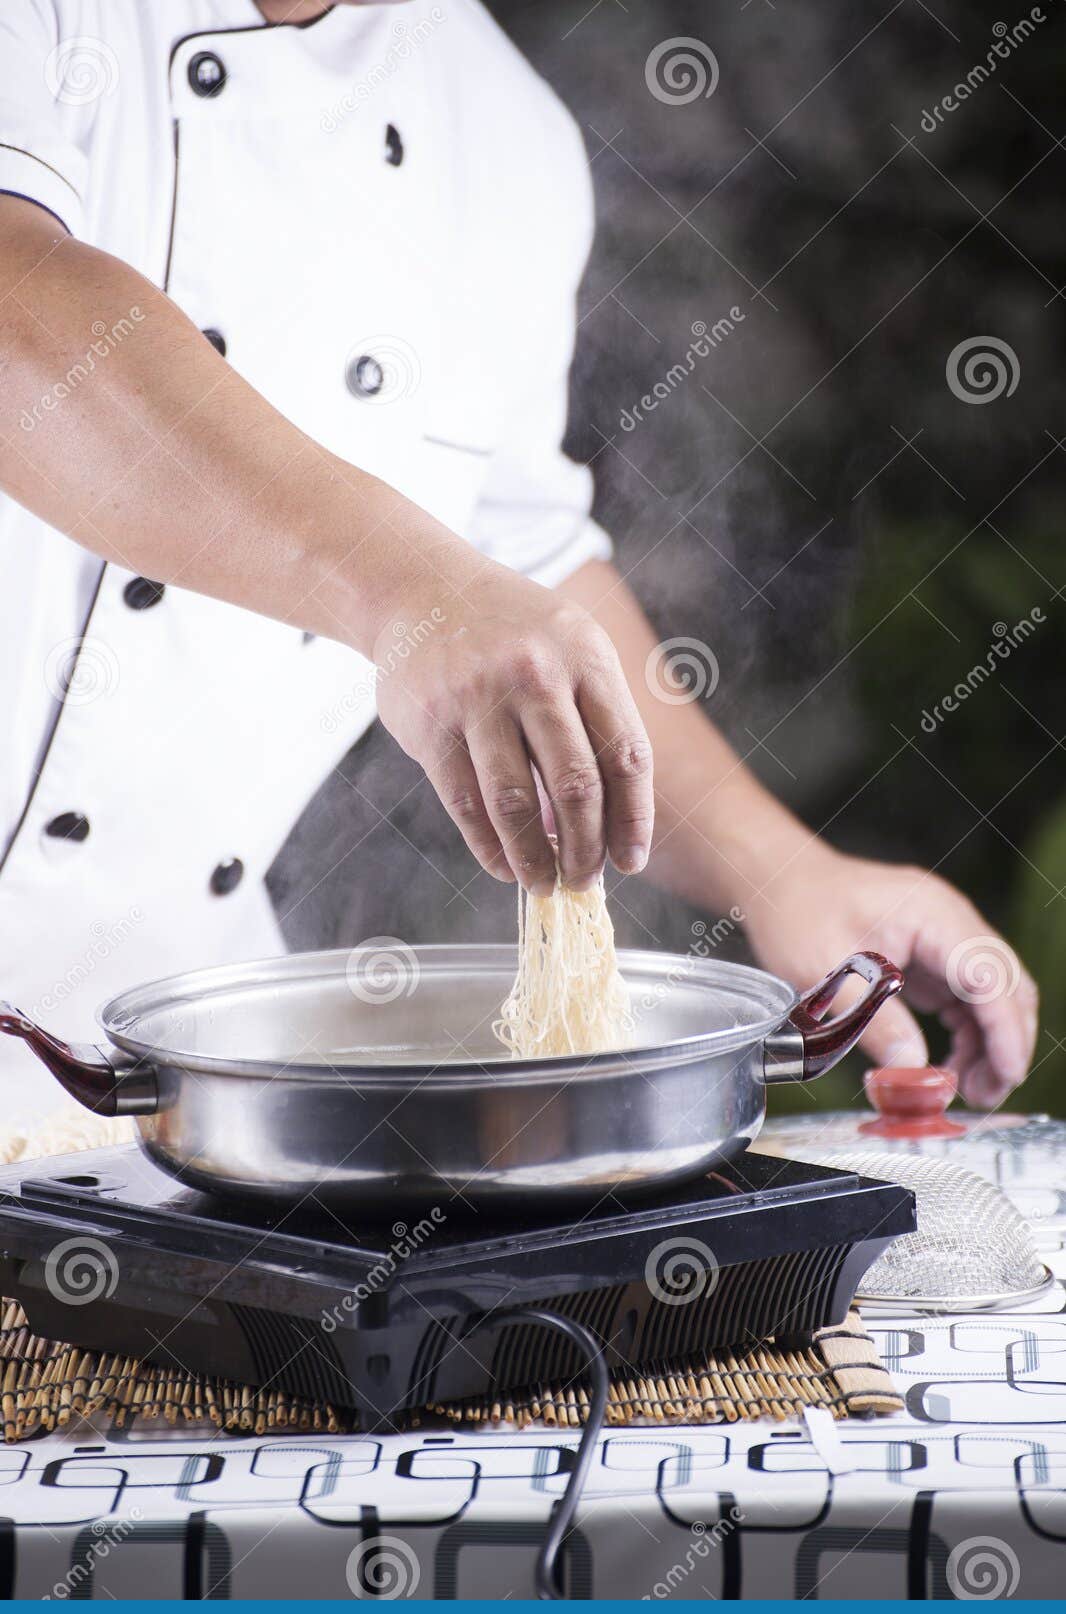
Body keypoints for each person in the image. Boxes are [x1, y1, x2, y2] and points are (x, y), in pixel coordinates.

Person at [0, 0, 1036, 1126]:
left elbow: (521, 572)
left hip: (130, 1080)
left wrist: (777, 871)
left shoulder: (503, 138)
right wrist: (405, 590)